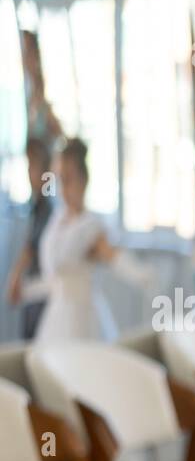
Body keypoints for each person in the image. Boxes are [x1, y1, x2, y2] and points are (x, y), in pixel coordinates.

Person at [20, 138, 156, 342]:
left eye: (69, 179)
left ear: (83, 180)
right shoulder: (57, 220)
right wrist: (26, 291)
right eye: (60, 179)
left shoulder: (90, 226)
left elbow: (114, 257)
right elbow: (54, 280)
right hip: (55, 318)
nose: (64, 188)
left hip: (80, 321)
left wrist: (145, 277)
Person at [5, 137, 54, 340]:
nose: (28, 172)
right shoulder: (36, 206)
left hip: (42, 292)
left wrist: (14, 278)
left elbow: (31, 248)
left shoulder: (48, 207)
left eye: (32, 166)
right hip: (33, 290)